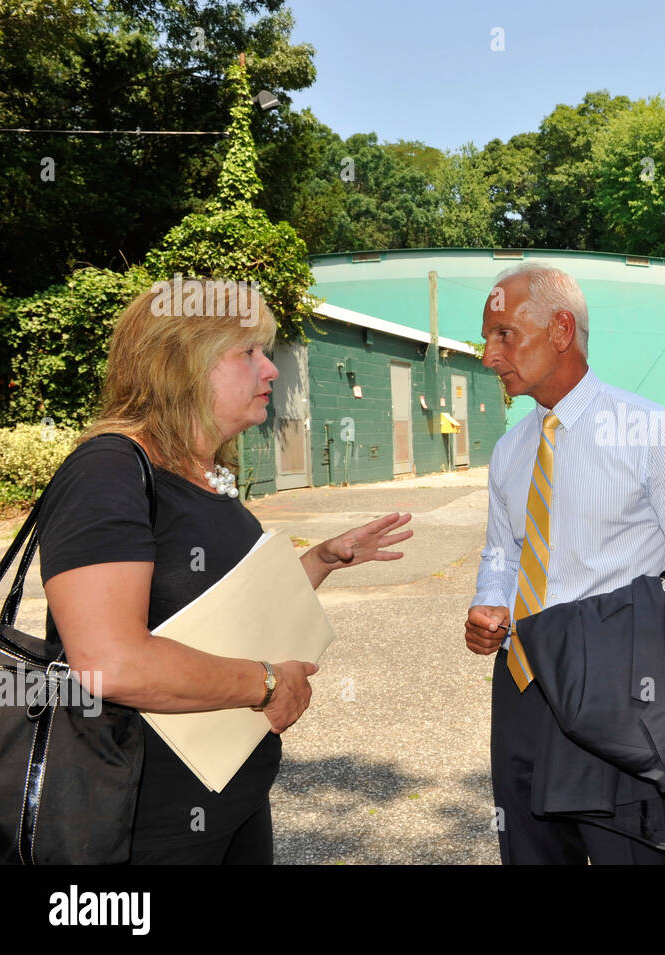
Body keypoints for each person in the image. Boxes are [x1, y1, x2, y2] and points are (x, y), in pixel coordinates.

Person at [38, 280, 413, 865]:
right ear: (180, 362)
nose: (271, 371)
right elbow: (109, 662)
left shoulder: (204, 472)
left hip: (230, 797)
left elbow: (221, 611)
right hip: (139, 822)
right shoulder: (108, 472)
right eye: (249, 353)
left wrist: (318, 561)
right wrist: (267, 684)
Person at [463, 262, 665, 865]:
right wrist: (491, 601)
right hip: (522, 694)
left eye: (504, 334)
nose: (489, 355)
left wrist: (611, 636)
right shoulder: (510, 450)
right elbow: (503, 551)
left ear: (561, 329)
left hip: (619, 701)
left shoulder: (650, 433)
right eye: (488, 337)